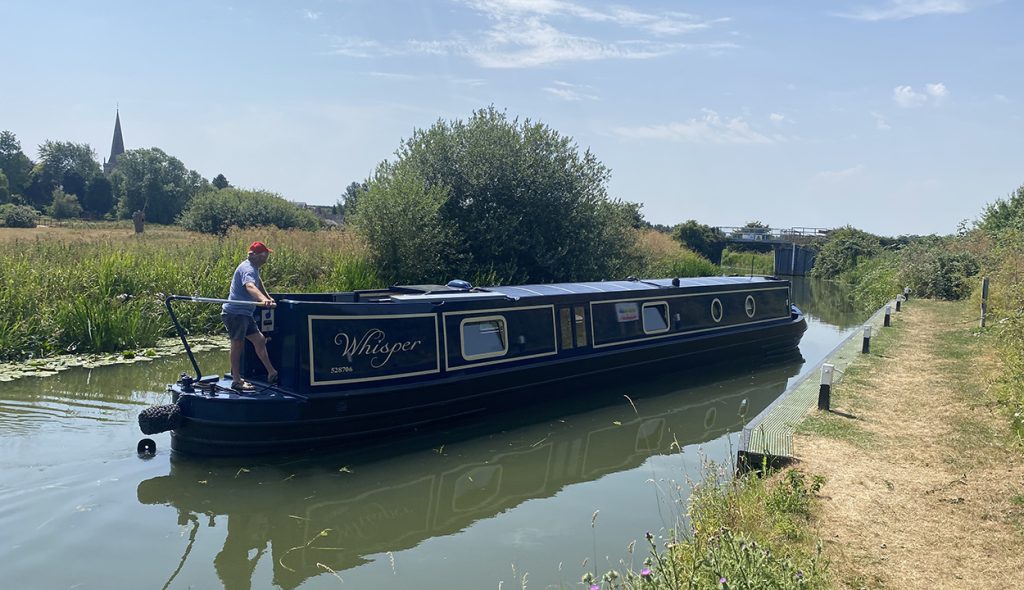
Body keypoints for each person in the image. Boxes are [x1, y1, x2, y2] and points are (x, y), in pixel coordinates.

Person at [222, 241, 278, 392]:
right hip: (235, 313)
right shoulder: (248, 268)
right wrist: (262, 300)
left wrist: (268, 297)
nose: (266, 258)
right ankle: (236, 380)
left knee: (259, 340)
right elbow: (250, 286)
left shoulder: (254, 269)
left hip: (246, 313)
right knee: (237, 344)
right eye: (264, 255)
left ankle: (271, 372)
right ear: (255, 255)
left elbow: (258, 283)